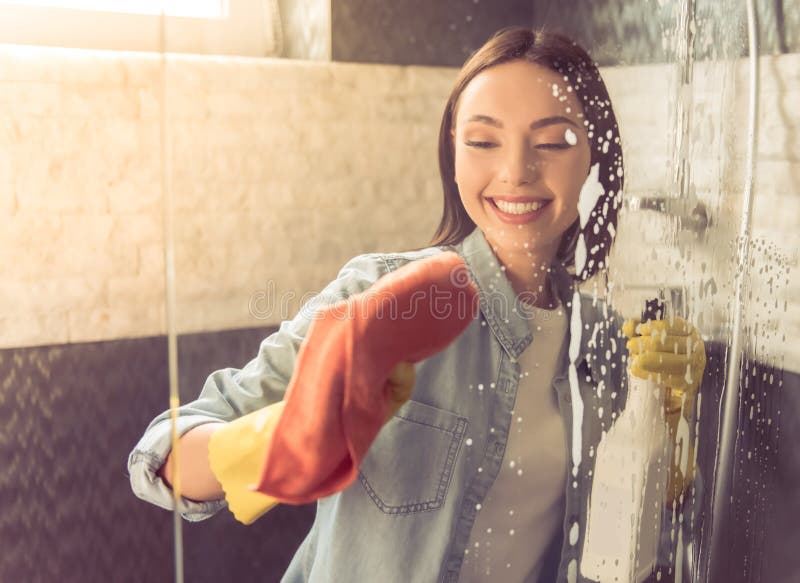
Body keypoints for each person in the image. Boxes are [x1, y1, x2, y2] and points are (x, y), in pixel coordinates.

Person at [129, 26, 706, 583]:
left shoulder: (609, 345)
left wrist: (670, 421)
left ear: (596, 162)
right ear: (454, 158)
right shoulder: (381, 297)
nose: (515, 171)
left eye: (553, 142)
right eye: (483, 141)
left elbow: (629, 535)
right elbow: (163, 455)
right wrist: (282, 442)